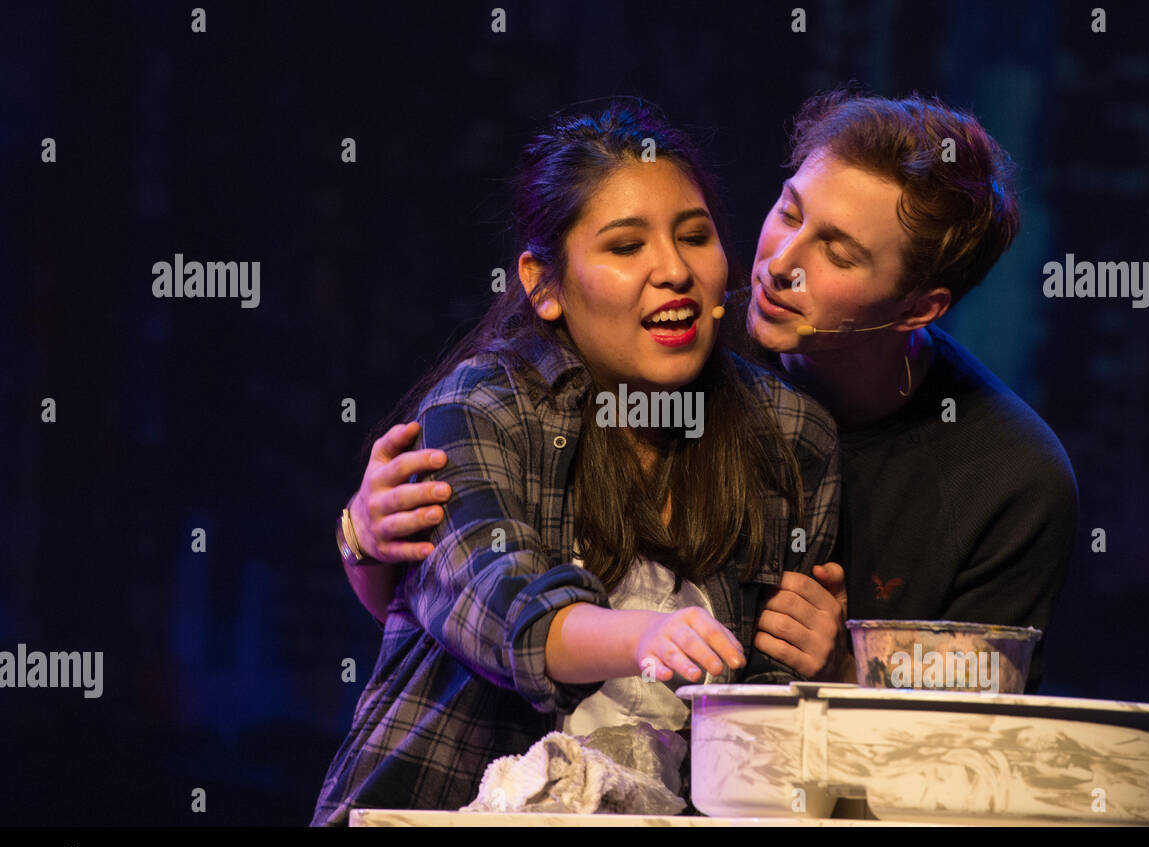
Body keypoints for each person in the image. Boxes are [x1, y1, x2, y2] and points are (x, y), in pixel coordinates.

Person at [338, 90, 1079, 695]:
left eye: (838, 252)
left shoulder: (1007, 477)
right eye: (789, 212)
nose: (779, 264)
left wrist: (849, 669)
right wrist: (368, 543)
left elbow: (984, 714)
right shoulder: (674, 331)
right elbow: (462, 612)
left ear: (918, 307)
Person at [313, 102, 841, 825]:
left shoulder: (791, 434)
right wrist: (645, 636)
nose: (675, 270)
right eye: (626, 247)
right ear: (545, 284)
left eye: (696, 235)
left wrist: (818, 665)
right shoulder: (484, 406)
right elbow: (502, 611)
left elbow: (767, 746)